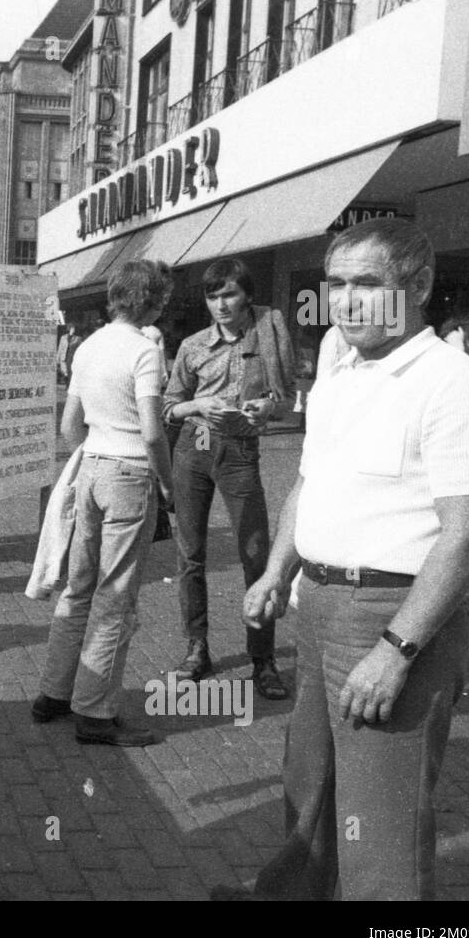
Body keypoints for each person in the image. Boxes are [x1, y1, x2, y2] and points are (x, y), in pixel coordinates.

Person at [222, 218, 469, 900]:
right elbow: (310, 481)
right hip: (318, 607)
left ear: (419, 285)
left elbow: (468, 534)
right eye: (337, 284)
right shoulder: (339, 367)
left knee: (381, 832)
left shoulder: (453, 381)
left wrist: (396, 648)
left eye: (367, 284)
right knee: (309, 790)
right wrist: (277, 569)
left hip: (388, 613)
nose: (346, 301)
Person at [32, 261, 174, 745]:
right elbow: (154, 433)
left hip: (90, 466)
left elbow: (69, 425)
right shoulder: (145, 351)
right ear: (154, 302)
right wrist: (168, 483)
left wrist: (92, 451)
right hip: (131, 473)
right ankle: (94, 713)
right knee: (115, 596)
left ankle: (54, 691)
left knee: (79, 587)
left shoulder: (88, 346)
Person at [163, 258, 293, 700]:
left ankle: (263, 659)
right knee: (190, 554)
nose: (220, 304)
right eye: (212, 296)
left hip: (239, 451)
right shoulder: (193, 345)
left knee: (256, 554)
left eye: (229, 294)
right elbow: (169, 407)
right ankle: (196, 648)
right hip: (193, 448)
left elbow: (288, 399)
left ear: (247, 296)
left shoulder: (267, 337)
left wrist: (268, 408)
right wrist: (196, 407)